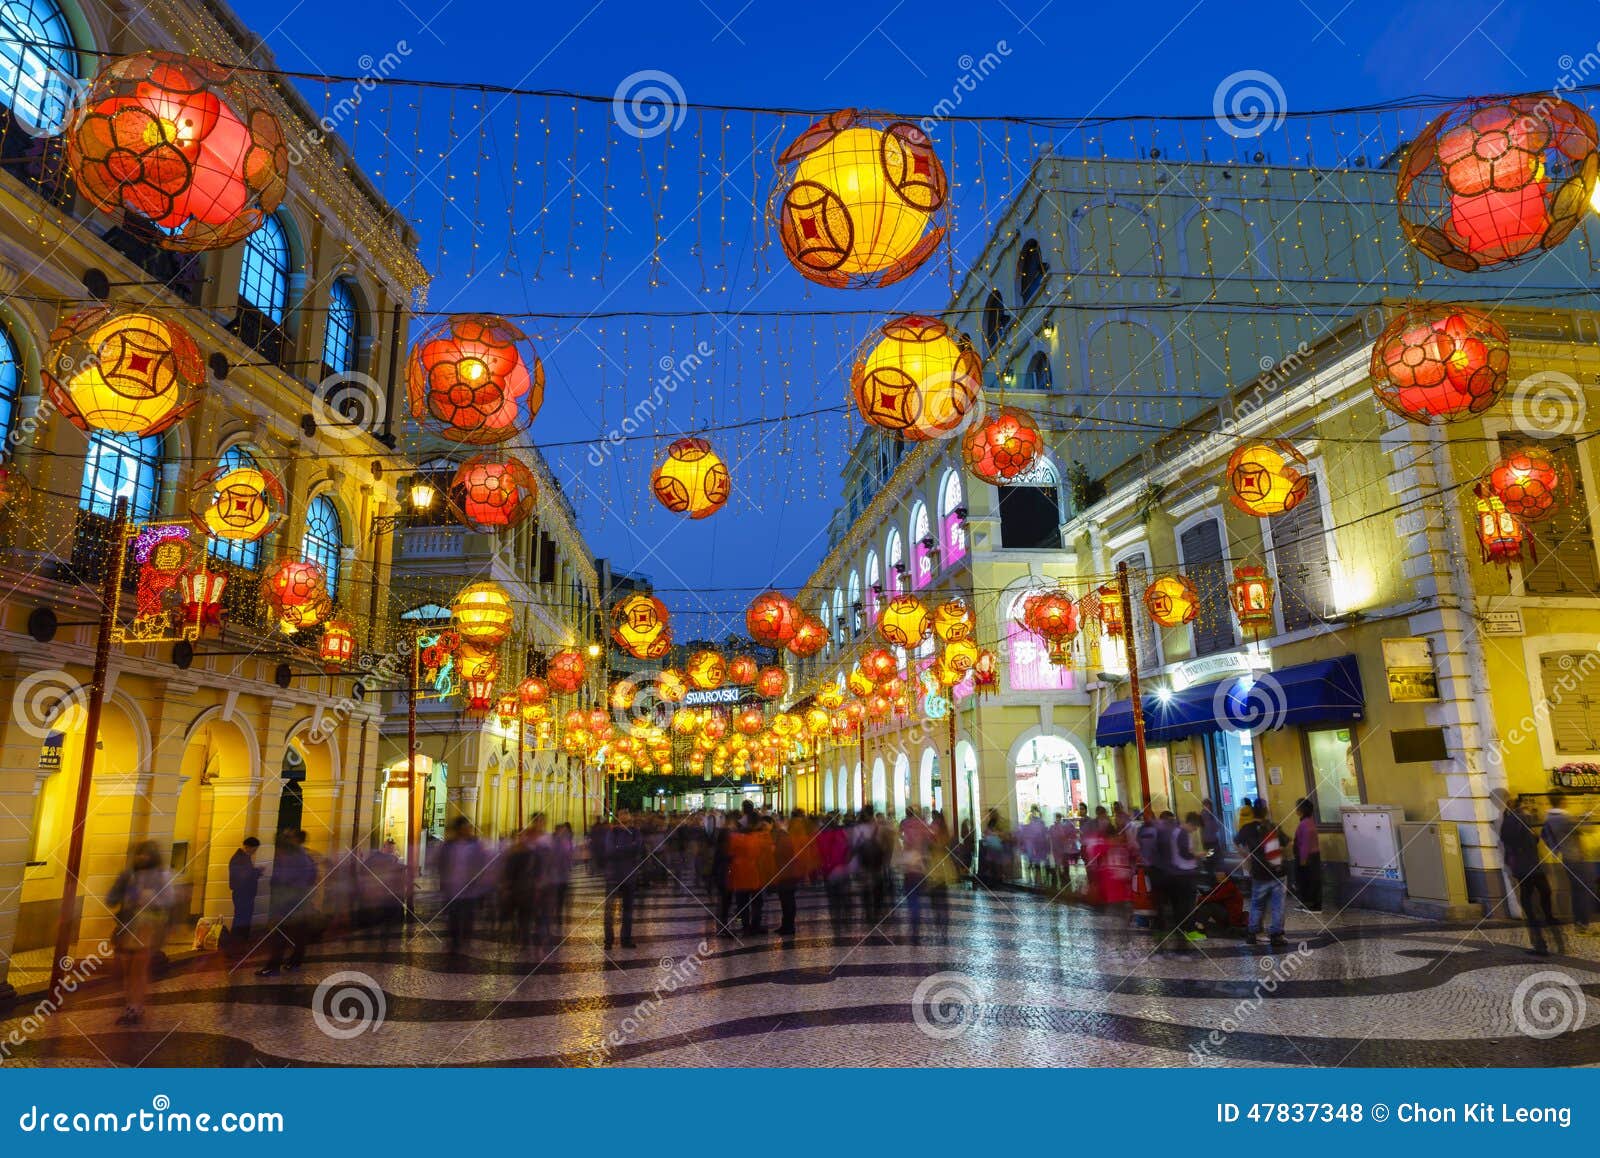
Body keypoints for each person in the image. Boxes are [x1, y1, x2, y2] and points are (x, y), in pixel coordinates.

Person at [107, 841, 174, 1025]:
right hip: (127, 926)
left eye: (146, 854)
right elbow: (111, 898)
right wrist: (126, 896)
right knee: (127, 969)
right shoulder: (128, 875)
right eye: (139, 854)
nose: (142, 857)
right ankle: (132, 1004)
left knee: (138, 968)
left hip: (147, 928)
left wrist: (150, 899)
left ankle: (134, 1007)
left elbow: (168, 900)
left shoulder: (161, 876)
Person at [1502, 792, 1561, 957]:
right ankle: (1539, 933)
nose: (1528, 809)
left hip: (1529, 865)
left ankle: (1544, 920)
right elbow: (1523, 840)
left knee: (1538, 892)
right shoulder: (1517, 821)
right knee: (1534, 894)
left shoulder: (1515, 822)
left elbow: (1529, 840)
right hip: (1526, 865)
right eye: (1524, 807)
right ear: (1518, 809)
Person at [257, 829, 319, 976]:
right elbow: (311, 878)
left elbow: (284, 882)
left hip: (288, 904)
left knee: (279, 936)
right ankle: (295, 962)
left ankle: (273, 967)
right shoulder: (305, 857)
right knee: (299, 935)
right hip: (300, 903)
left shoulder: (292, 858)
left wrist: (278, 908)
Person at [1234, 799, 1286, 947]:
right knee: (1278, 905)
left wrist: (1246, 855)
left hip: (1258, 871)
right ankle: (1276, 935)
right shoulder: (1273, 826)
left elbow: (1236, 842)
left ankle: (1252, 933)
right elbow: (1286, 844)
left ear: (1253, 812)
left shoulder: (1246, 828)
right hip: (1277, 872)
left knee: (1257, 904)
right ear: (1266, 811)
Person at [436, 817, 490, 954]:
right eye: (465, 828)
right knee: (453, 916)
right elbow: (441, 863)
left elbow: (482, 862)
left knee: (468, 916)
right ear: (459, 829)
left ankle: (465, 940)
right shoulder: (448, 846)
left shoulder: (476, 845)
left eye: (469, 828)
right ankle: (455, 942)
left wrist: (479, 879)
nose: (468, 830)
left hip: (470, 888)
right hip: (452, 888)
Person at [1542, 793, 1592, 932]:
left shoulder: (1549, 818)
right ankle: (1582, 924)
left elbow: (1545, 836)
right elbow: (1587, 829)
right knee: (1582, 891)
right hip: (1577, 858)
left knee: (1576, 891)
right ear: (1562, 801)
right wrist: (1587, 814)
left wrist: (1557, 849)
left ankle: (1579, 923)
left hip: (1567, 858)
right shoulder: (1566, 818)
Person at [602, 808, 643, 950]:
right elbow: (610, 851)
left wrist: (619, 848)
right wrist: (628, 848)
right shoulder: (612, 832)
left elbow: (638, 848)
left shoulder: (635, 832)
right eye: (622, 814)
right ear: (618, 817)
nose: (625, 816)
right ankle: (608, 940)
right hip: (613, 875)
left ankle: (626, 939)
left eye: (627, 813)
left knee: (628, 909)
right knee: (609, 910)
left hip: (629, 875)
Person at [228, 836, 262, 940]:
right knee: (242, 917)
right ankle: (237, 940)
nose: (254, 852)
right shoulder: (240, 859)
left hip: (242, 893)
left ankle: (238, 940)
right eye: (254, 849)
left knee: (241, 916)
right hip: (243, 893)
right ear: (248, 847)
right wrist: (257, 872)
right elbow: (244, 876)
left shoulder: (241, 857)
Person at [1292, 799, 1323, 913]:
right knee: (1310, 880)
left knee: (1307, 881)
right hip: (1312, 856)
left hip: (1307, 857)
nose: (1295, 810)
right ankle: (1309, 904)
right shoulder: (1309, 821)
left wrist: (1303, 859)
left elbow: (1306, 842)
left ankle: (1312, 905)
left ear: (1302, 810)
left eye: (1297, 807)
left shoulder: (1305, 824)